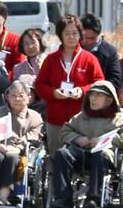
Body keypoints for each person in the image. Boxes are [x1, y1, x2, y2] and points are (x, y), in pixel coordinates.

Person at [50, 80, 123, 208]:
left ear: (109, 100)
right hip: (81, 154)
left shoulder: (119, 119)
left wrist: (105, 141)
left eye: (98, 95)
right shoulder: (81, 117)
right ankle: (63, 199)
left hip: (105, 157)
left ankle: (94, 198)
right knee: (62, 153)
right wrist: (77, 138)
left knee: (99, 154)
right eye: (91, 95)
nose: (93, 98)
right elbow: (64, 131)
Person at [35, 14, 104, 155]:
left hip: (82, 120)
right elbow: (40, 85)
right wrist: (53, 93)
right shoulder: (51, 59)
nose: (71, 37)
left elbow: (100, 84)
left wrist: (83, 91)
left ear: (80, 35)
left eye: (75, 33)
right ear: (60, 35)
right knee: (56, 158)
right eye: (67, 33)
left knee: (79, 160)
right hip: (55, 120)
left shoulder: (89, 59)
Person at [0, 81, 44, 208]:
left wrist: (19, 147)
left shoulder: (35, 117)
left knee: (12, 157)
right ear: (7, 97)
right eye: (13, 95)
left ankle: (2, 196)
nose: (17, 99)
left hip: (20, 152)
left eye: (21, 95)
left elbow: (34, 136)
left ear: (29, 97)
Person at [14, 27, 47, 114]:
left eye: (33, 42)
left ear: (40, 43)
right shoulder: (18, 68)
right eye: (26, 43)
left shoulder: (50, 61)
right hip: (25, 109)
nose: (30, 46)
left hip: (46, 108)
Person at [81, 13, 120, 79]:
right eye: (86, 38)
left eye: (93, 38)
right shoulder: (71, 49)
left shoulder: (110, 52)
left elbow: (115, 79)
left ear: (99, 35)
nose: (89, 42)